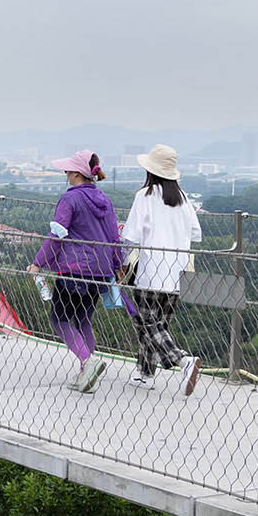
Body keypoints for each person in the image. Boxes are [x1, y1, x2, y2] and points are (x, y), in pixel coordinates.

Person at [29, 150, 122, 392]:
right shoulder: (104, 199)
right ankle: (85, 375)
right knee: (82, 319)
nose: (65, 174)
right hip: (100, 270)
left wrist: (38, 262)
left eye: (68, 170)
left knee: (59, 319)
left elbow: (56, 236)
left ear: (77, 173)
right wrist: (117, 265)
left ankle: (87, 361)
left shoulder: (69, 200)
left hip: (73, 270)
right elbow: (114, 237)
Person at [121, 144, 204, 395]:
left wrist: (122, 261)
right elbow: (196, 234)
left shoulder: (144, 196)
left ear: (150, 171)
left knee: (147, 323)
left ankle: (182, 360)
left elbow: (131, 236)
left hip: (150, 271)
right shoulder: (184, 198)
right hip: (177, 274)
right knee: (159, 326)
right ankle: (145, 374)